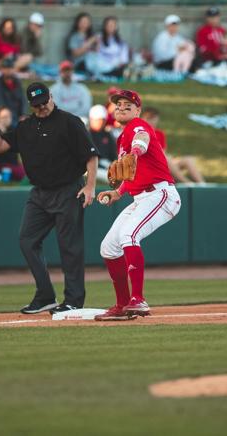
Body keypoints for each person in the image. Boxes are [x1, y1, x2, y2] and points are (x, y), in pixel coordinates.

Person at [0, 82, 99, 314]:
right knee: (27, 240)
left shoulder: (70, 122)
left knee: (69, 247)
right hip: (40, 193)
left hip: (68, 190)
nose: (42, 107)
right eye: (37, 105)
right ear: (31, 105)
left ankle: (73, 300)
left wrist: (90, 186)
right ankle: (45, 296)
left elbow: (90, 156)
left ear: (51, 96)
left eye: (45, 102)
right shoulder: (26, 127)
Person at [95, 89, 181, 321]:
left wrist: (134, 151)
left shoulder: (138, 126)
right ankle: (123, 304)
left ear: (138, 110)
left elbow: (141, 141)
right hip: (141, 197)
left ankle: (139, 299)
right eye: (118, 104)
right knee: (108, 247)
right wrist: (117, 192)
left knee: (129, 236)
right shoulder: (122, 137)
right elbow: (132, 172)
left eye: (128, 104)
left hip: (161, 194)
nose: (121, 107)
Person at [141, 107, 206, 185]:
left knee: (188, 159)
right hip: (150, 166)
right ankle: (188, 183)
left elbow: (163, 151)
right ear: (142, 119)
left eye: (154, 118)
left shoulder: (159, 133)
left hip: (163, 164)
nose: (152, 121)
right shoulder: (140, 133)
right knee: (167, 158)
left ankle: (203, 185)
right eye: (149, 118)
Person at [0, 107, 27, 182]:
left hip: (13, 164)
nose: (7, 119)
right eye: (4, 117)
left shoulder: (12, 130)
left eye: (9, 116)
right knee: (24, 173)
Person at [0, 57, 27, 123]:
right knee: (5, 114)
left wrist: (23, 114)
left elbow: (23, 101)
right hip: (0, 119)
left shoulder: (18, 83)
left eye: (10, 68)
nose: (8, 70)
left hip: (17, 117)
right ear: (1, 70)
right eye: (6, 68)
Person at [88, 103, 117, 183]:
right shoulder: (86, 135)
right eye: (98, 120)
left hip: (107, 163)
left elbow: (113, 154)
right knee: (109, 176)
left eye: (103, 120)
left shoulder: (107, 134)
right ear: (91, 119)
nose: (101, 122)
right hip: (93, 166)